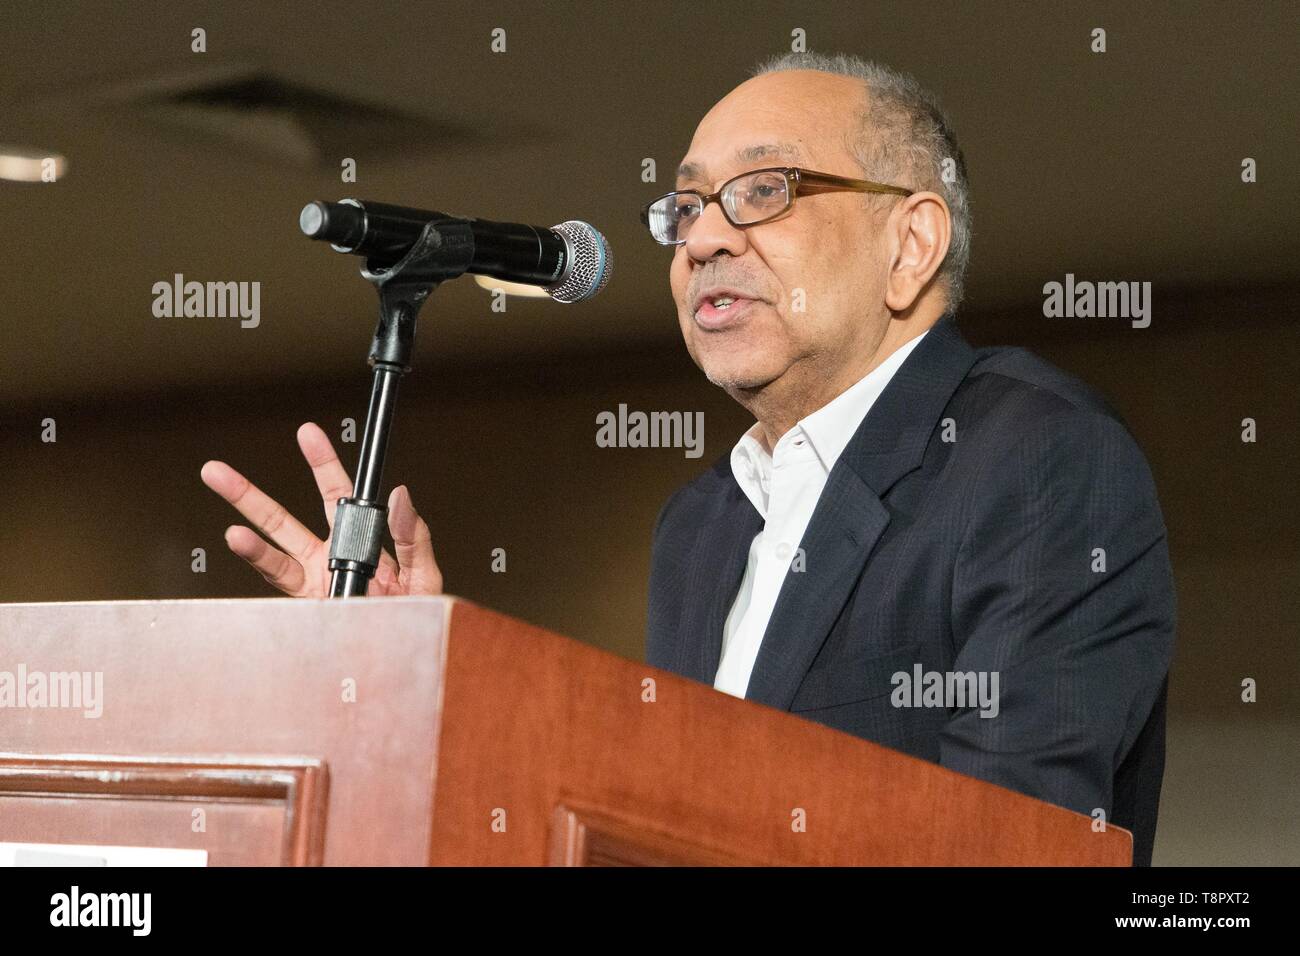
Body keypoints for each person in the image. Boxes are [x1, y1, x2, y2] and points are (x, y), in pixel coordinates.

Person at [201, 53, 1175, 866]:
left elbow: (1010, 849)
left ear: (910, 242)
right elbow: (652, 828)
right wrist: (428, 677)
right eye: (685, 206)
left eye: (762, 191)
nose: (702, 237)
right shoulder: (703, 521)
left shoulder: (1038, 459)